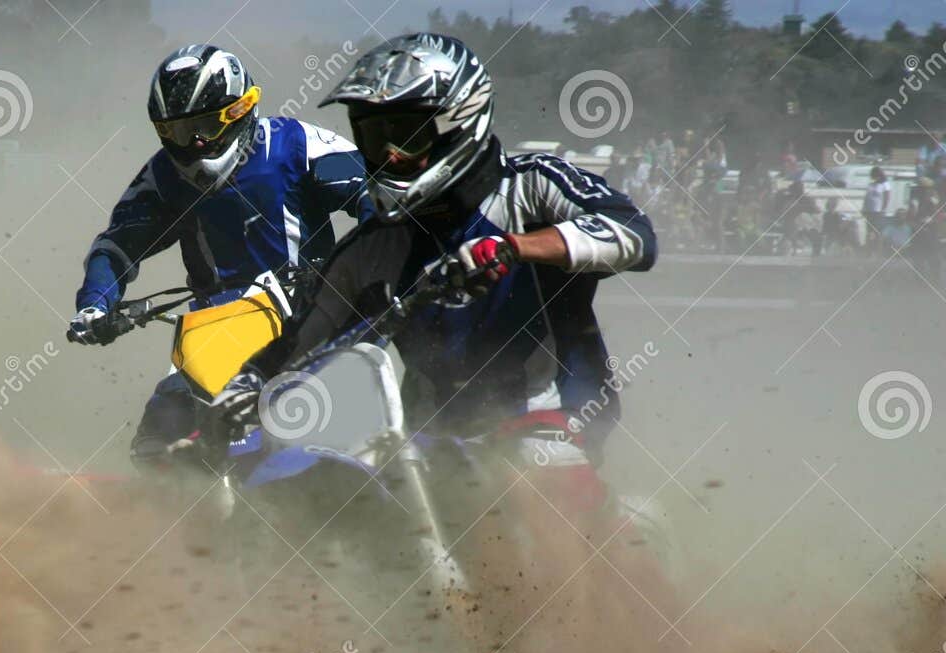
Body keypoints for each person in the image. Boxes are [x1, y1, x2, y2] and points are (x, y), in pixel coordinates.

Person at [227, 33, 657, 528]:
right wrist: (244, 389)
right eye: (371, 136)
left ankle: (646, 603)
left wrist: (516, 247)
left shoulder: (532, 186)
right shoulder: (375, 245)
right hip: (427, 437)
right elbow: (304, 338)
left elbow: (635, 235)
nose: (387, 154)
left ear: (458, 122)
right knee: (332, 500)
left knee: (531, 483)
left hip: (553, 418)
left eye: (404, 136)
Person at [66, 44, 367, 464]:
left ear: (241, 110)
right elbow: (117, 245)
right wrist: (95, 306)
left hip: (314, 314)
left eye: (204, 126)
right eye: (177, 133)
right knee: (158, 439)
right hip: (215, 331)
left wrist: (374, 268)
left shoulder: (298, 144)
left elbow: (380, 201)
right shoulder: (163, 176)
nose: (195, 144)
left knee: (352, 419)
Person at [863, 165, 892, 250]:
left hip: (878, 212)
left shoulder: (885, 184)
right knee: (869, 232)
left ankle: (877, 251)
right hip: (869, 211)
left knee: (877, 232)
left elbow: (887, 197)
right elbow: (867, 197)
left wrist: (883, 209)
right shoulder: (871, 185)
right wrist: (864, 208)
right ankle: (869, 251)